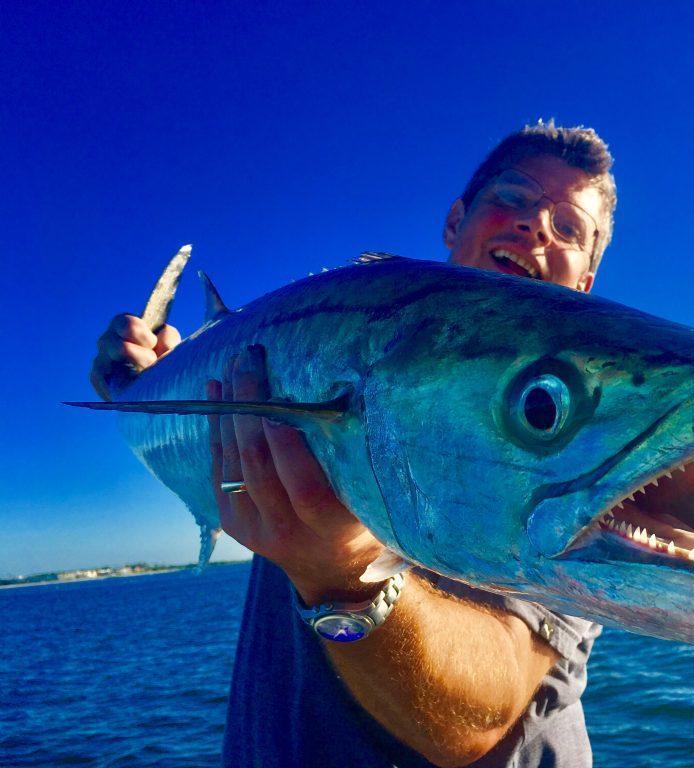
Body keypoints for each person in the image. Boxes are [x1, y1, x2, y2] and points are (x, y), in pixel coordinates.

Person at [90, 122, 617, 767]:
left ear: (584, 282)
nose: (537, 226)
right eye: (513, 196)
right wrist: (152, 378)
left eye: (570, 228)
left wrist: (344, 579)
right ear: (456, 221)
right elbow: (200, 428)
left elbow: (487, 701)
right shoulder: (337, 332)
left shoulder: (591, 443)